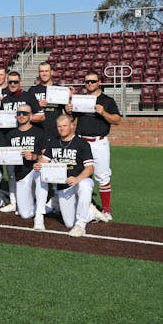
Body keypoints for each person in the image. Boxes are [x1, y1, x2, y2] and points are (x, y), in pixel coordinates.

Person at [67, 71, 121, 220]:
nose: (89, 84)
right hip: (81, 141)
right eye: (87, 81)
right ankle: (84, 204)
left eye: (92, 81)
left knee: (103, 176)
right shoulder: (81, 99)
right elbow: (72, 119)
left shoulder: (107, 101)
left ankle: (106, 209)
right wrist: (69, 109)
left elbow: (117, 120)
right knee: (80, 173)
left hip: (99, 142)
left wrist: (104, 113)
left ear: (99, 82)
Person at [36, 114, 97, 237]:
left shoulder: (82, 144)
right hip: (63, 185)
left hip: (79, 180)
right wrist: (38, 165)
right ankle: (91, 212)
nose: (62, 128)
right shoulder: (53, 142)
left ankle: (81, 225)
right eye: (59, 126)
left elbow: (90, 168)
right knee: (69, 223)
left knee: (85, 185)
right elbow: (43, 161)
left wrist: (77, 179)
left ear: (72, 126)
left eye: (64, 126)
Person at [0, 71, 44, 213]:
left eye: (15, 82)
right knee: (11, 173)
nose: (12, 84)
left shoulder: (28, 96)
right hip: (11, 139)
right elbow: (0, 119)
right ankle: (13, 200)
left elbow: (42, 116)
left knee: (30, 171)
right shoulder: (4, 100)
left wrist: (24, 117)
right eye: (10, 82)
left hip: (28, 137)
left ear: (20, 82)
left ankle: (35, 199)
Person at [2, 104, 48, 230]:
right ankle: (50, 205)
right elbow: (4, 155)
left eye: (25, 113)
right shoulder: (10, 135)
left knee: (40, 171)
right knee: (25, 214)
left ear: (31, 116)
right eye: (19, 113)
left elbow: (47, 156)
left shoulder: (39, 133)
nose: (21, 115)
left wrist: (34, 157)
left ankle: (40, 215)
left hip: (35, 168)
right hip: (21, 173)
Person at [28, 61, 66, 138]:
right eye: (42, 71)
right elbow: (27, 111)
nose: (44, 74)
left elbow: (68, 112)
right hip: (38, 132)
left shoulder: (60, 89)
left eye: (46, 71)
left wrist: (70, 98)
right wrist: (37, 104)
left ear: (51, 72)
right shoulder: (32, 90)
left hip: (56, 133)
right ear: (39, 73)